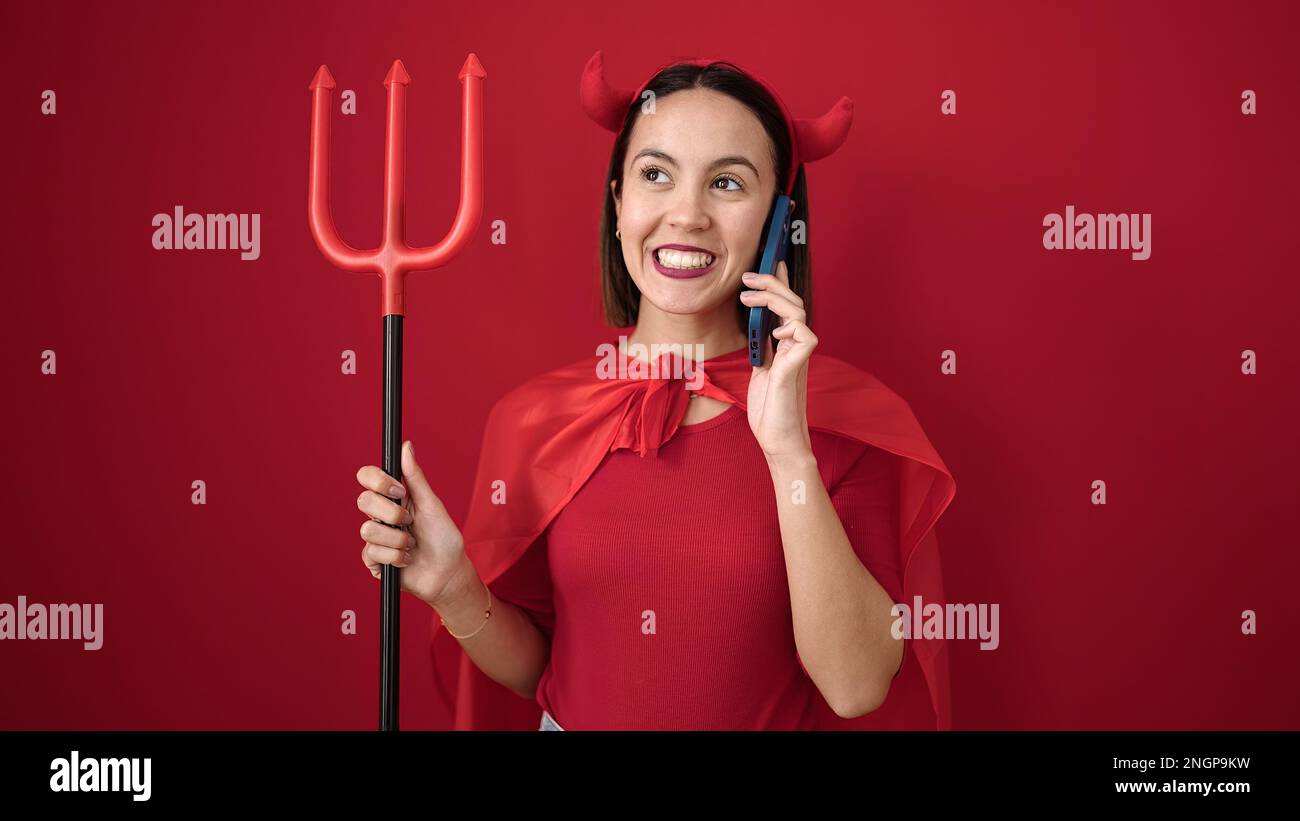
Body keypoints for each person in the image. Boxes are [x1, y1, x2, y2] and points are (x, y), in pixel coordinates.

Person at [355, 51, 956, 730]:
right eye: (655, 174)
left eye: (728, 183)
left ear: (776, 225)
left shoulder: (845, 421)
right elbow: (544, 672)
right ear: (619, 204)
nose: (687, 213)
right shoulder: (535, 420)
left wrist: (789, 452)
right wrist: (450, 586)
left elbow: (856, 685)